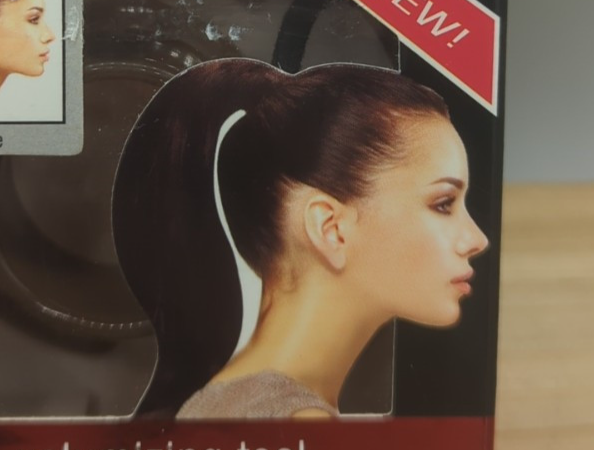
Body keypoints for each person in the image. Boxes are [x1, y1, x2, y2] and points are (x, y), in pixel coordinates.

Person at [111, 59, 488, 419]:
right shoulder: (299, 429)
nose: (477, 239)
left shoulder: (237, 404)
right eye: (443, 204)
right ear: (330, 229)